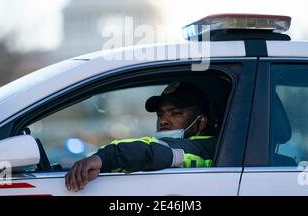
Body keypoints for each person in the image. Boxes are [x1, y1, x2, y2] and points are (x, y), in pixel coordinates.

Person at [65, 81, 217, 192]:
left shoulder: (210, 148)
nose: (163, 121)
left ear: (201, 122)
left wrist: (105, 158)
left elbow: (152, 149)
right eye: (160, 114)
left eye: (175, 113)